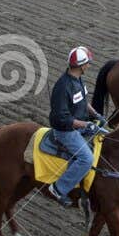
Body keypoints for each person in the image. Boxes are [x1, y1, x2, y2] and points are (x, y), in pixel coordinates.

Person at [45, 46, 99, 208]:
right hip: (66, 131)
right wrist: (85, 124)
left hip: (80, 125)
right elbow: (62, 117)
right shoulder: (63, 87)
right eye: (88, 63)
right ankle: (58, 188)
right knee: (86, 158)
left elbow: (83, 100)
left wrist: (96, 115)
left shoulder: (77, 79)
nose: (89, 65)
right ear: (82, 66)